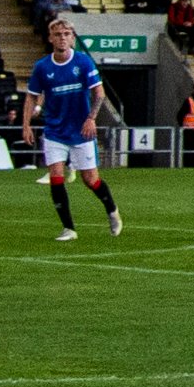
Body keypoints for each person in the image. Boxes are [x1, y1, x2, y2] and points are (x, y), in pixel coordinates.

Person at [24, 17, 124, 241]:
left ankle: (112, 211)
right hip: (54, 131)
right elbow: (31, 97)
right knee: (56, 176)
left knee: (91, 180)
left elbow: (99, 93)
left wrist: (91, 118)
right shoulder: (42, 67)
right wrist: (26, 125)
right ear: (51, 38)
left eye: (66, 34)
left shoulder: (83, 62)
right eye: (58, 34)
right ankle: (69, 228)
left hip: (81, 131)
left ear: (72, 38)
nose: (62, 38)